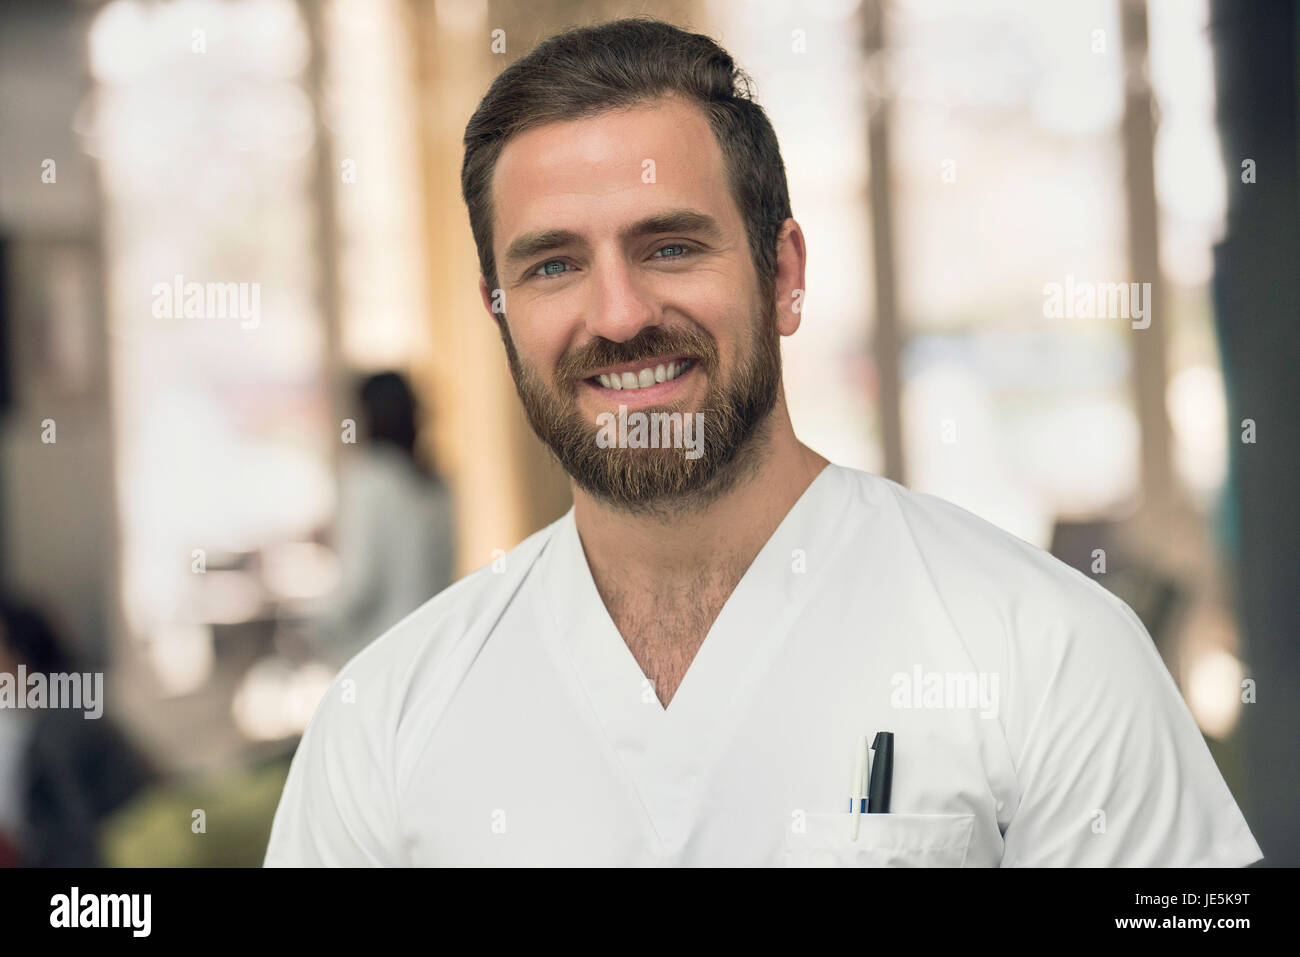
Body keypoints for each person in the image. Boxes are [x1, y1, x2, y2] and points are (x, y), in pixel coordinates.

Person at [265, 18, 1262, 866]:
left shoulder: (1047, 654)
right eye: (553, 265)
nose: (617, 315)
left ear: (782, 273)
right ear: (500, 316)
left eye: (669, 246)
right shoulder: (384, 726)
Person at [313, 371, 455, 667]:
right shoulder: (436, 485)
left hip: (382, 662)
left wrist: (309, 630)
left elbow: (359, 586)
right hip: (434, 653)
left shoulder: (368, 480)